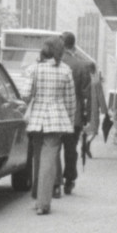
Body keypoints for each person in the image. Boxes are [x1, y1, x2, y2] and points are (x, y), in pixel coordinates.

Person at [24, 41, 76, 214]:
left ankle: (38, 198)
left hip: (37, 119)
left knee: (38, 159)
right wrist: (68, 119)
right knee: (49, 160)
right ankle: (43, 203)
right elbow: (70, 101)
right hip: (56, 118)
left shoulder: (34, 69)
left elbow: (25, 94)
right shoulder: (65, 70)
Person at [56, 30, 96, 195]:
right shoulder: (81, 65)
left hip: (55, 113)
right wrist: (87, 116)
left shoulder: (53, 62)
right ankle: (69, 180)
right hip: (75, 115)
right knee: (70, 149)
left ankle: (54, 181)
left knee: (53, 148)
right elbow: (87, 95)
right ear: (74, 44)